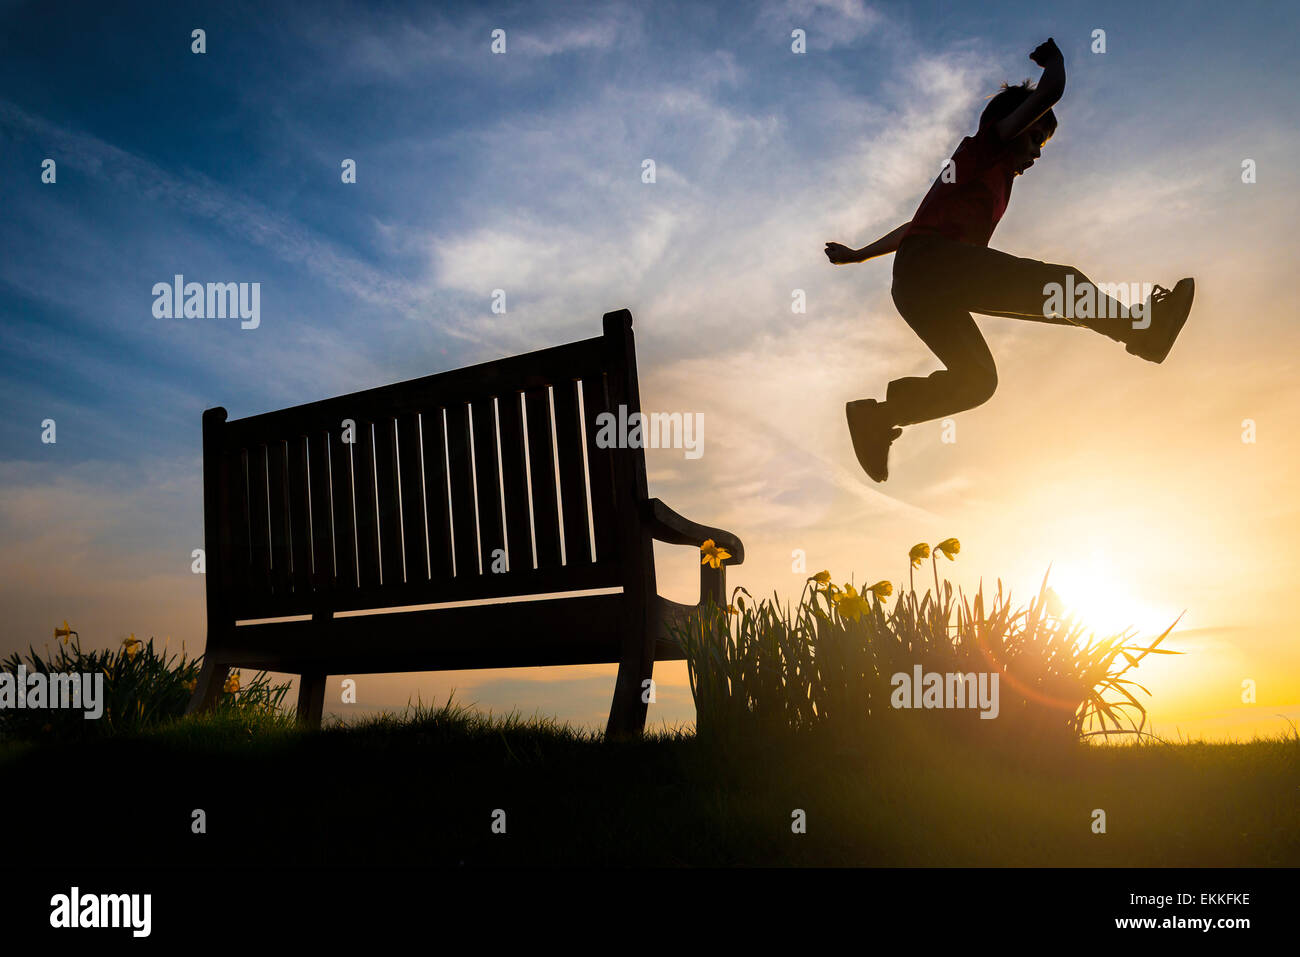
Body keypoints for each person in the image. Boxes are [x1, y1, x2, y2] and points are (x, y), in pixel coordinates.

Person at [826, 37, 1194, 482]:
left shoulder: (986, 175)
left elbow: (913, 227)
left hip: (921, 283)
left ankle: (880, 417)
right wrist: (1055, 61)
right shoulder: (987, 146)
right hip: (932, 267)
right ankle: (1143, 331)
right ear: (1012, 125)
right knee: (1062, 285)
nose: (1038, 152)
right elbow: (1050, 92)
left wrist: (861, 255)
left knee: (978, 380)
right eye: (1036, 136)